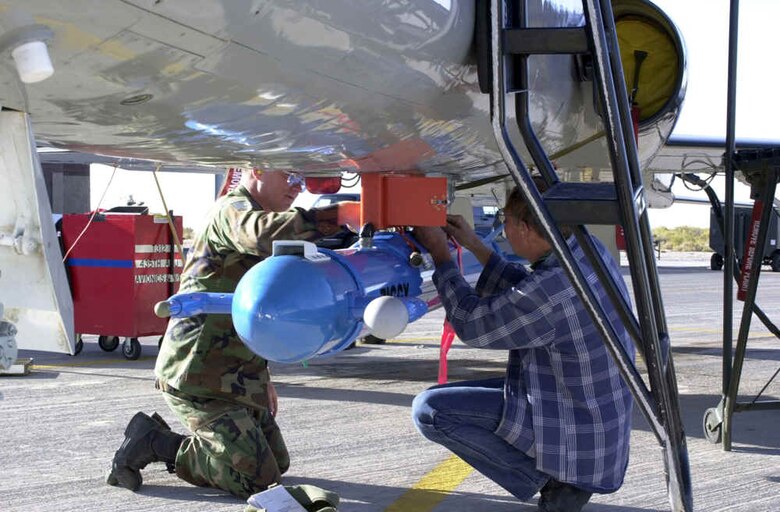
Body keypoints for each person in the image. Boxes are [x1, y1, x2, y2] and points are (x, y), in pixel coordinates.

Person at [107, 169, 359, 498]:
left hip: (238, 375)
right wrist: (339, 215)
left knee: (277, 462)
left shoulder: (259, 219)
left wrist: (263, 376)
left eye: (302, 179)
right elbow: (259, 234)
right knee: (258, 480)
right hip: (199, 376)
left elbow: (259, 311)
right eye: (289, 175)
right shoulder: (231, 211)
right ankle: (155, 443)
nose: (298, 187)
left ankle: (173, 442)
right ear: (255, 169)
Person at [411, 179, 634, 512]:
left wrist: (441, 257)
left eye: (507, 222)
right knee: (451, 397)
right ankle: (557, 478)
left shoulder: (553, 288)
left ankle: (552, 482)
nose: (504, 231)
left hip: (574, 427)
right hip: (585, 411)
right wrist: (474, 245)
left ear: (528, 229)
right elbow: (530, 293)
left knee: (430, 410)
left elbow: (474, 324)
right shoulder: (585, 251)